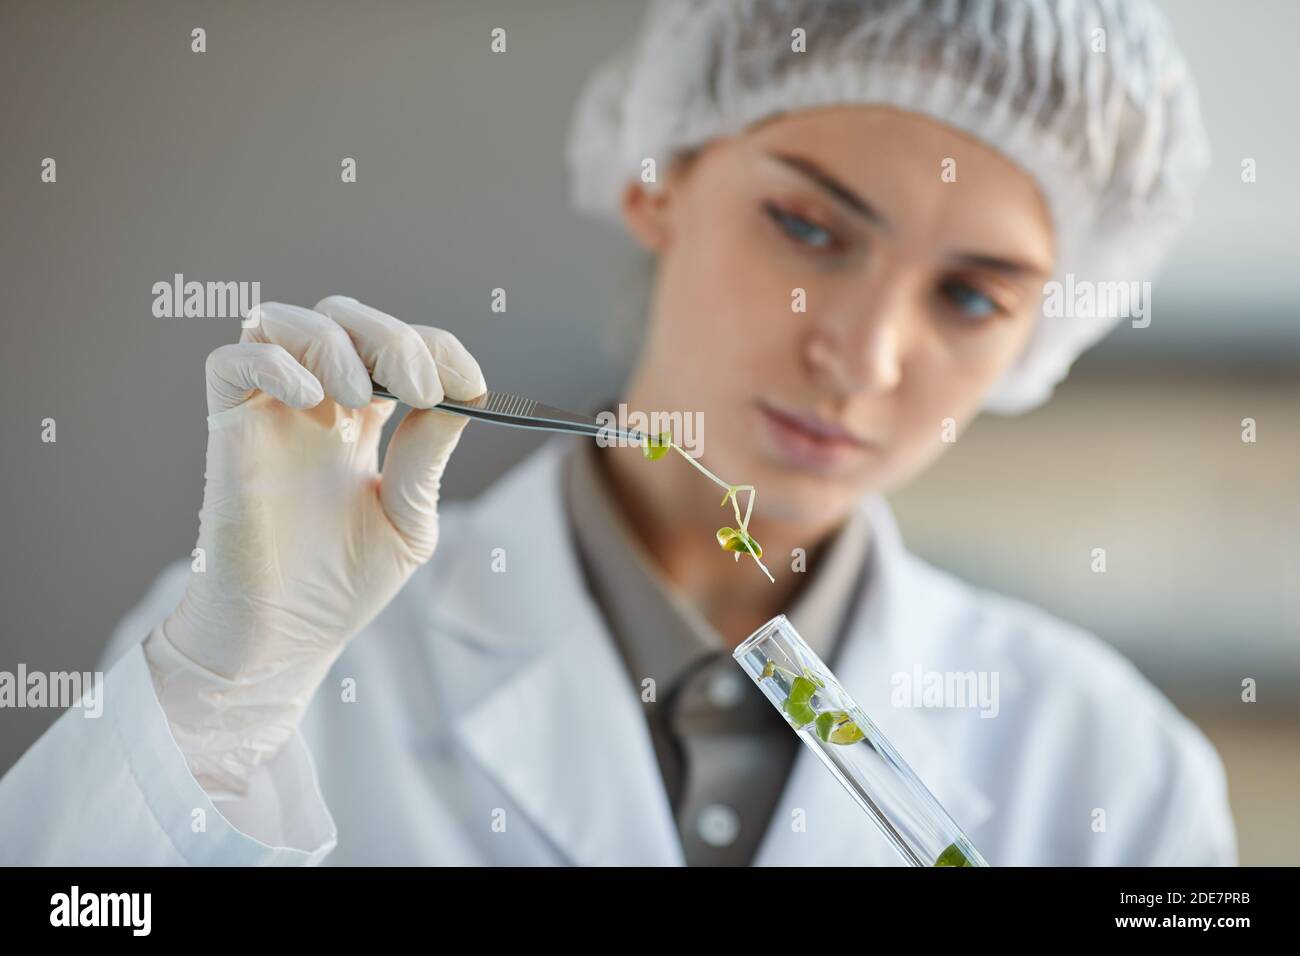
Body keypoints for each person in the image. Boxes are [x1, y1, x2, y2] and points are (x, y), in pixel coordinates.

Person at [0, 0, 1235, 866]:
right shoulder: (267, 661)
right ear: (660, 178)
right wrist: (223, 707)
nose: (859, 355)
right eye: (810, 227)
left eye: (971, 296)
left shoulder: (1109, 765)